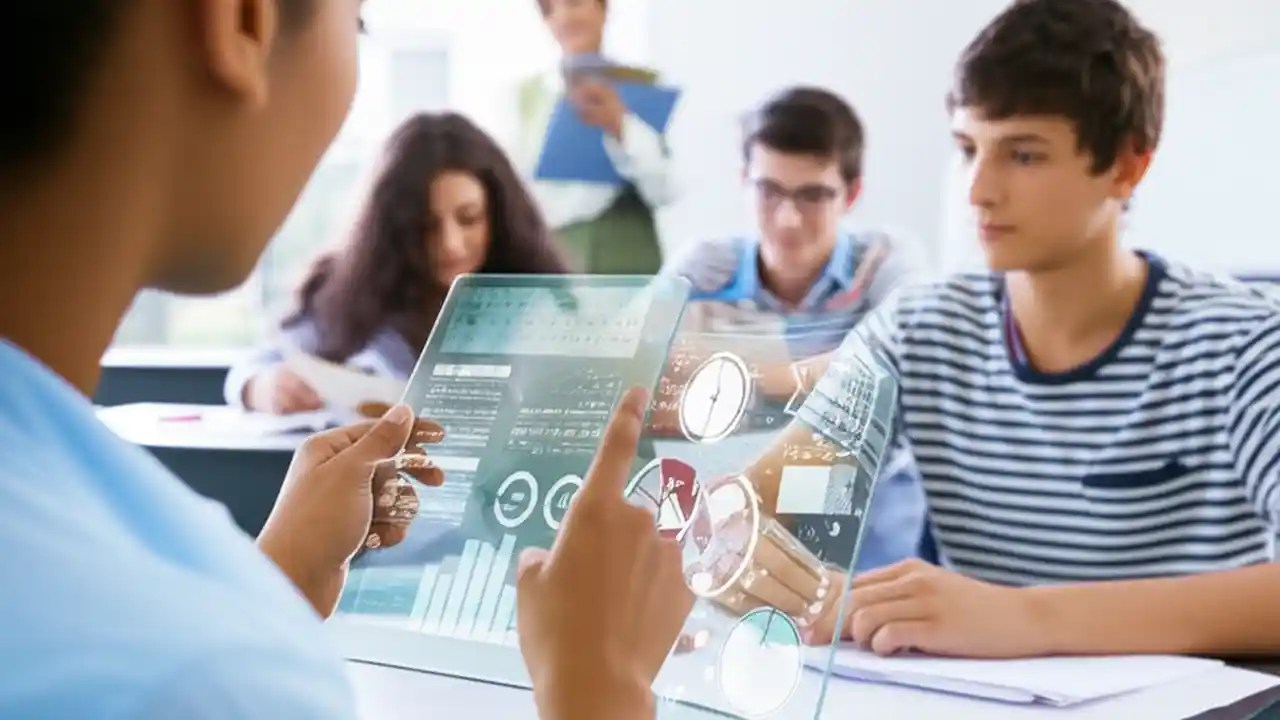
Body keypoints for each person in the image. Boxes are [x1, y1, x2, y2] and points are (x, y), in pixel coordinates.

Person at [0, 2, 688, 718]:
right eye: (357, 19)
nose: (450, 243)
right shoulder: (197, 676)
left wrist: (279, 578)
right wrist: (599, 685)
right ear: (242, 22)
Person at [729, 0, 1280, 659]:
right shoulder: (917, 333)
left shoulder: (1244, 345)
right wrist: (762, 556)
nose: (977, 191)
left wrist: (1029, 618)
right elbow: (771, 506)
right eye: (968, 149)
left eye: (1023, 155)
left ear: (1128, 166)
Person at [665, 86, 927, 573]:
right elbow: (634, 367)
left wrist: (738, 376)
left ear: (852, 193)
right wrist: (819, 375)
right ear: (744, 180)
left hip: (871, 523)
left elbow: (895, 367)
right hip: (731, 512)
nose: (787, 219)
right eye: (768, 191)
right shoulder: (704, 266)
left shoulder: (886, 259)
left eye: (812, 196)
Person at [227, 111, 568, 415]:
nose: (451, 244)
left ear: (499, 216)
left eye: (469, 218)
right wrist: (261, 386)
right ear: (392, 229)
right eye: (426, 226)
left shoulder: (541, 301)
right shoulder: (350, 295)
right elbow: (258, 363)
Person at [516, 0, 677, 274]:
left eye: (574, 3)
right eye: (549, 10)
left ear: (603, 9)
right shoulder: (528, 96)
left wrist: (621, 127)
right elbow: (521, 192)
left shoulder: (644, 85)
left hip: (631, 257)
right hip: (560, 258)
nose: (564, 17)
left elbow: (665, 190)